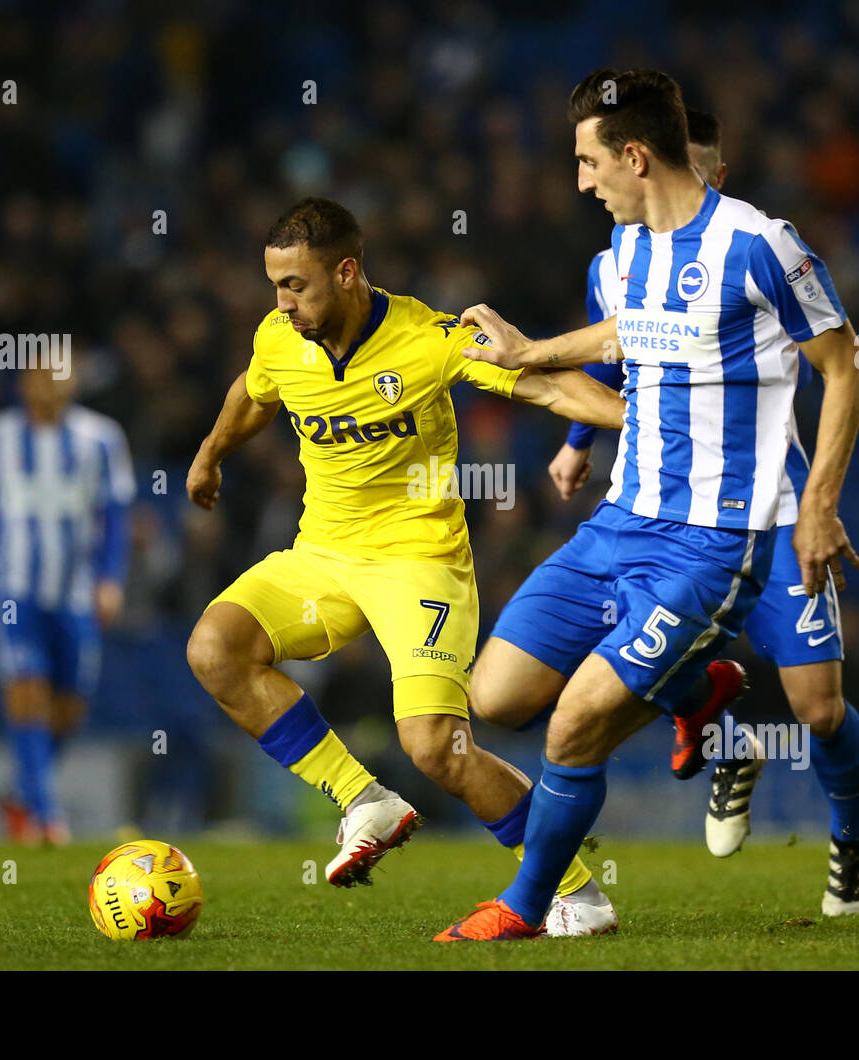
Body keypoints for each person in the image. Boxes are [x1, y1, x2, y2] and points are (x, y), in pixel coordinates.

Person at [437, 68, 859, 941]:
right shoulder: (627, 250)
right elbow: (628, 328)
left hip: (716, 541)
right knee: (494, 695)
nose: (583, 182)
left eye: (589, 163)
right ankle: (698, 690)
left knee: (576, 723)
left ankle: (527, 907)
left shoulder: (759, 246)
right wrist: (531, 354)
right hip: (620, 524)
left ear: (634, 154)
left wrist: (818, 502)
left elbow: (844, 363)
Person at [184, 197, 626, 931]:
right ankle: (365, 800)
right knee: (214, 648)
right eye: (275, 286)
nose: (283, 303)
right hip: (322, 557)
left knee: (437, 749)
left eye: (297, 285)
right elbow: (255, 391)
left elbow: (544, 385)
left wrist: (643, 419)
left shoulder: (427, 339)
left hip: (419, 562)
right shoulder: (278, 337)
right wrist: (208, 457)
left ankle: (576, 890)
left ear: (348, 272)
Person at [0, 366, 134, 845]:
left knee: (71, 706)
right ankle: (46, 815)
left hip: (75, 593)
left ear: (74, 383)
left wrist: (110, 579)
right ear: (24, 383)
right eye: (42, 377)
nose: (52, 386)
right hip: (12, 591)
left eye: (61, 377)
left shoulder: (101, 438)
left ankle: (20, 791)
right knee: (25, 691)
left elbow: (114, 516)